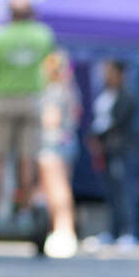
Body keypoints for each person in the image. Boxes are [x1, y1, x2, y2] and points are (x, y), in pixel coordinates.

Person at [0, 0, 56, 210]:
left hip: (2, 100)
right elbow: (51, 63)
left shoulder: (0, 37)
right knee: (27, 157)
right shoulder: (42, 34)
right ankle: (25, 208)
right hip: (31, 99)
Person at [88, 58, 139, 245]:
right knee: (110, 191)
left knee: (124, 190)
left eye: (110, 71)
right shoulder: (104, 95)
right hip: (106, 151)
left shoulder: (128, 96)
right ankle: (113, 231)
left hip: (121, 151)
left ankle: (129, 232)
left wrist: (100, 137)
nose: (106, 76)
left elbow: (118, 123)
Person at [38, 50, 81, 258]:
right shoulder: (70, 90)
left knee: (57, 189)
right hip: (66, 142)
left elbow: (50, 119)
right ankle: (61, 230)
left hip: (52, 143)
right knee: (60, 187)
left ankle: (63, 231)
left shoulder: (54, 91)